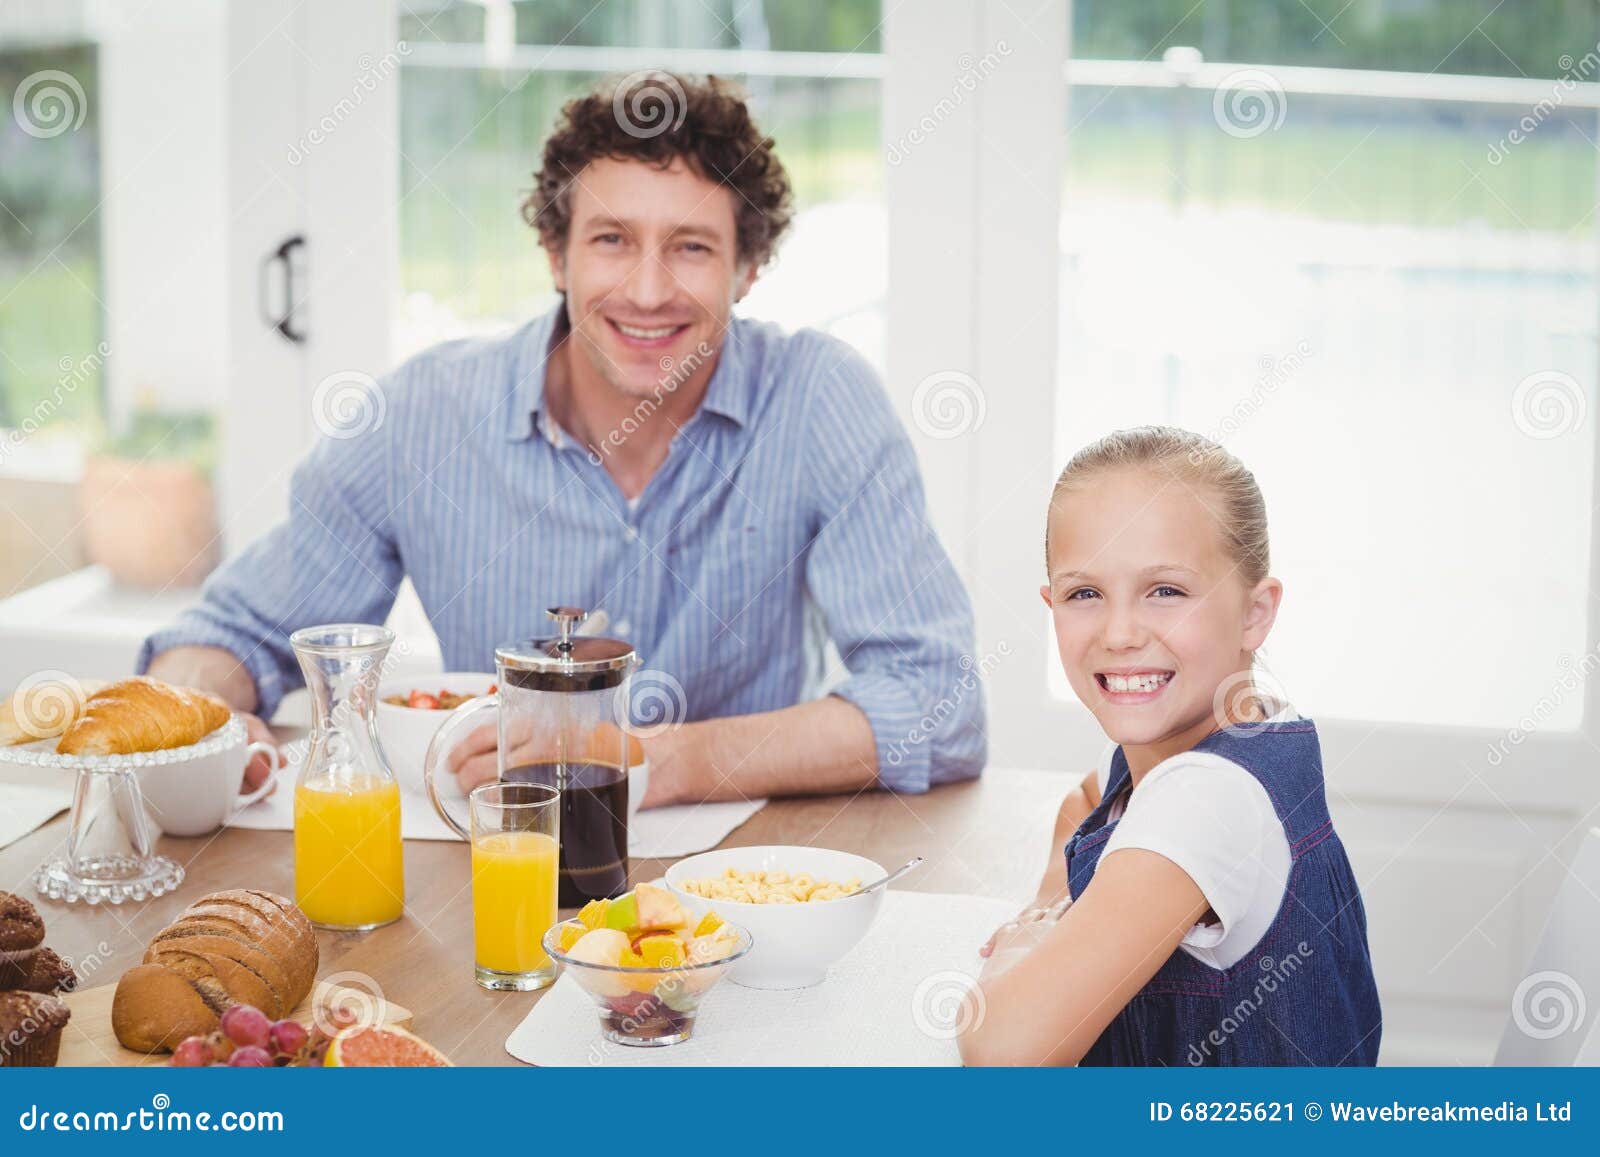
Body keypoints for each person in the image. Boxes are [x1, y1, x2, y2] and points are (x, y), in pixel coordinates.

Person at [140, 72, 984, 807]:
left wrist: (650, 760)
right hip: (504, 874)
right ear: (554, 253)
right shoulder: (424, 415)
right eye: (611, 240)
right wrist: (202, 718)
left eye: (691, 247)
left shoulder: (818, 400)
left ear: (747, 269)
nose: (648, 291)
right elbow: (233, 633)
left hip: (743, 887)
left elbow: (938, 705)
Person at [959, 427, 1380, 1066]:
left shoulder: (1205, 798)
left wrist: (1026, 946)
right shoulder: (1242, 729)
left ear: (1255, 612)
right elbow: (1087, 799)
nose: (1121, 632)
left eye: (1166, 591)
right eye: (1084, 594)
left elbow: (1004, 1052)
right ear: (1051, 606)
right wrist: (1052, 902)